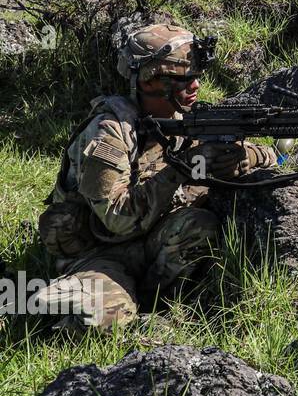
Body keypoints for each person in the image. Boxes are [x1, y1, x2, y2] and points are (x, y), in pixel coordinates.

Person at [27, 24, 275, 330]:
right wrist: (180, 168)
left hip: (154, 242)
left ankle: (154, 302)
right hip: (100, 253)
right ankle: (55, 302)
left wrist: (245, 158)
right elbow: (117, 219)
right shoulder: (110, 132)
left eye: (195, 77)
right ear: (149, 82)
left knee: (200, 226)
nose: (195, 87)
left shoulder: (181, 120)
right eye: (183, 80)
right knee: (103, 319)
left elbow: (270, 156)